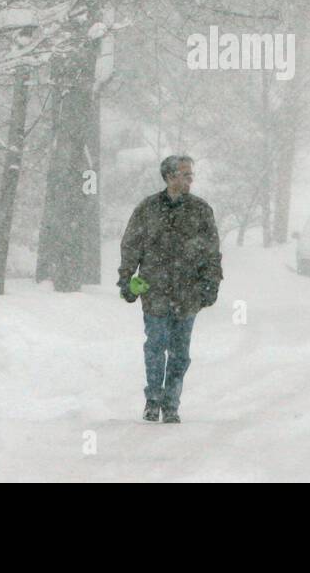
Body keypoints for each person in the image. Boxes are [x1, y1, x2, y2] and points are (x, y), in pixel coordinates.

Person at [118, 155, 222, 423]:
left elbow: (212, 252)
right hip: (155, 292)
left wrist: (211, 284)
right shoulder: (148, 209)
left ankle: (172, 402)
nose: (190, 179)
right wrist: (126, 278)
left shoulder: (200, 210)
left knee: (180, 352)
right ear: (169, 176)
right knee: (155, 346)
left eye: (191, 175)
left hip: (188, 294)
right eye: (185, 174)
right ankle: (153, 399)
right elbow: (131, 245)